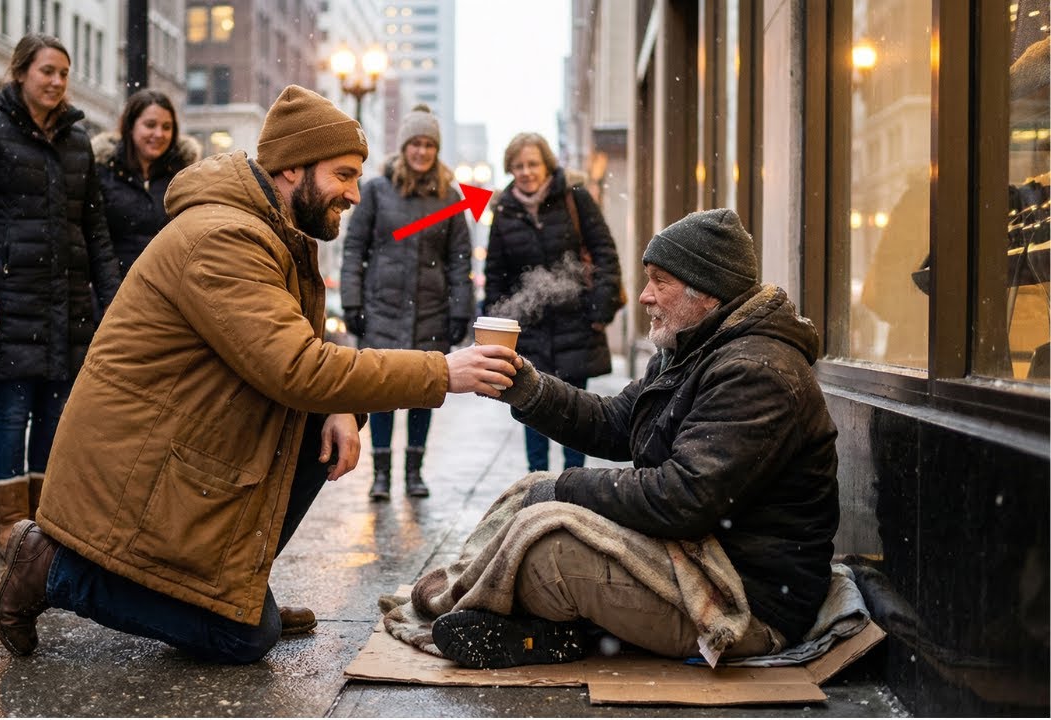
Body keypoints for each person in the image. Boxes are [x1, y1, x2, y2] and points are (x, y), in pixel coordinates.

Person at [0, 85, 521, 662]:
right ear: (293, 168)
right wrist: (443, 371)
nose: (353, 193)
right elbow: (297, 367)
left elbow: (296, 350)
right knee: (244, 638)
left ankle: (235, 588)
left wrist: (339, 404)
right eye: (343, 174)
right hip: (135, 465)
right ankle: (51, 569)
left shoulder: (273, 231)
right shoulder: (225, 237)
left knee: (331, 419)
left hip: (187, 437)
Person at [431, 209, 839, 669]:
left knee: (550, 550)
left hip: (742, 599)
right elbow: (614, 423)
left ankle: (535, 622)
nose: (644, 296)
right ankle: (523, 618)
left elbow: (683, 498)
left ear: (707, 291)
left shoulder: (755, 372)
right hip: (694, 558)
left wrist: (566, 489)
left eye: (660, 281)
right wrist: (528, 387)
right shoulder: (690, 350)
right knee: (528, 496)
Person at [0, 33, 121, 559]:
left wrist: (113, 298)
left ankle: (42, 521)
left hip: (66, 300)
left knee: (54, 413)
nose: (57, 81)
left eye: (63, 73)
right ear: (21, 71)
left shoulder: (77, 141)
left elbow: (95, 228)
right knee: (11, 410)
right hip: (10, 296)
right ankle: (10, 522)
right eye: (47, 70)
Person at [340, 104, 473, 500]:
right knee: (380, 391)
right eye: (415, 143)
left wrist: (461, 310)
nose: (421, 151)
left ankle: (414, 473)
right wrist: (351, 303)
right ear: (403, 147)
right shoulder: (376, 191)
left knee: (424, 391)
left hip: (431, 311)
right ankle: (381, 475)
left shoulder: (450, 196)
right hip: (381, 309)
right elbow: (354, 249)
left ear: (436, 149)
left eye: (429, 145)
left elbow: (459, 260)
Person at [483, 132, 623, 474]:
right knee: (530, 405)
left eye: (533, 164)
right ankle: (538, 483)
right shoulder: (504, 209)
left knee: (577, 413)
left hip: (576, 322)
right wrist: (495, 325)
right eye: (518, 166)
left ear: (547, 165)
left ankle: (574, 485)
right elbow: (496, 273)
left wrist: (599, 309)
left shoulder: (575, 197)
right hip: (527, 329)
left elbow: (604, 252)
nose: (526, 172)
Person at [92, 89, 200, 276]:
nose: (159, 134)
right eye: (150, 125)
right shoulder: (103, 172)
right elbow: (98, 241)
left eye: (167, 127)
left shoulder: (184, 176)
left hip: (168, 283)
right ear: (130, 126)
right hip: (118, 284)